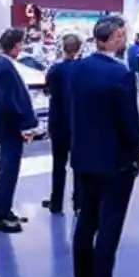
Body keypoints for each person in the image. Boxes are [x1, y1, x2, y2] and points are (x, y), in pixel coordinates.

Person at [71, 15, 139, 277]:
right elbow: (129, 123)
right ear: (114, 37)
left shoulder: (78, 70)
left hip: (84, 158)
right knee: (109, 226)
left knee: (86, 222)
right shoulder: (121, 75)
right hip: (114, 161)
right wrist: (136, 155)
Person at [0, 28, 40, 233]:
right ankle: (0, 217)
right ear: (15, 45)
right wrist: (23, 126)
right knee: (8, 172)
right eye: (21, 44)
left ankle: (5, 209)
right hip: (10, 129)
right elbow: (10, 102)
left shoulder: (3, 65)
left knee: (8, 170)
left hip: (8, 127)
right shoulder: (5, 68)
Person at [42, 33, 81, 215]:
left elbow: (48, 89)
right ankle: (78, 201)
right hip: (77, 123)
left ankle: (56, 202)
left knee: (58, 165)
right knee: (78, 165)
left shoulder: (55, 70)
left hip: (58, 123)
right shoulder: (82, 69)